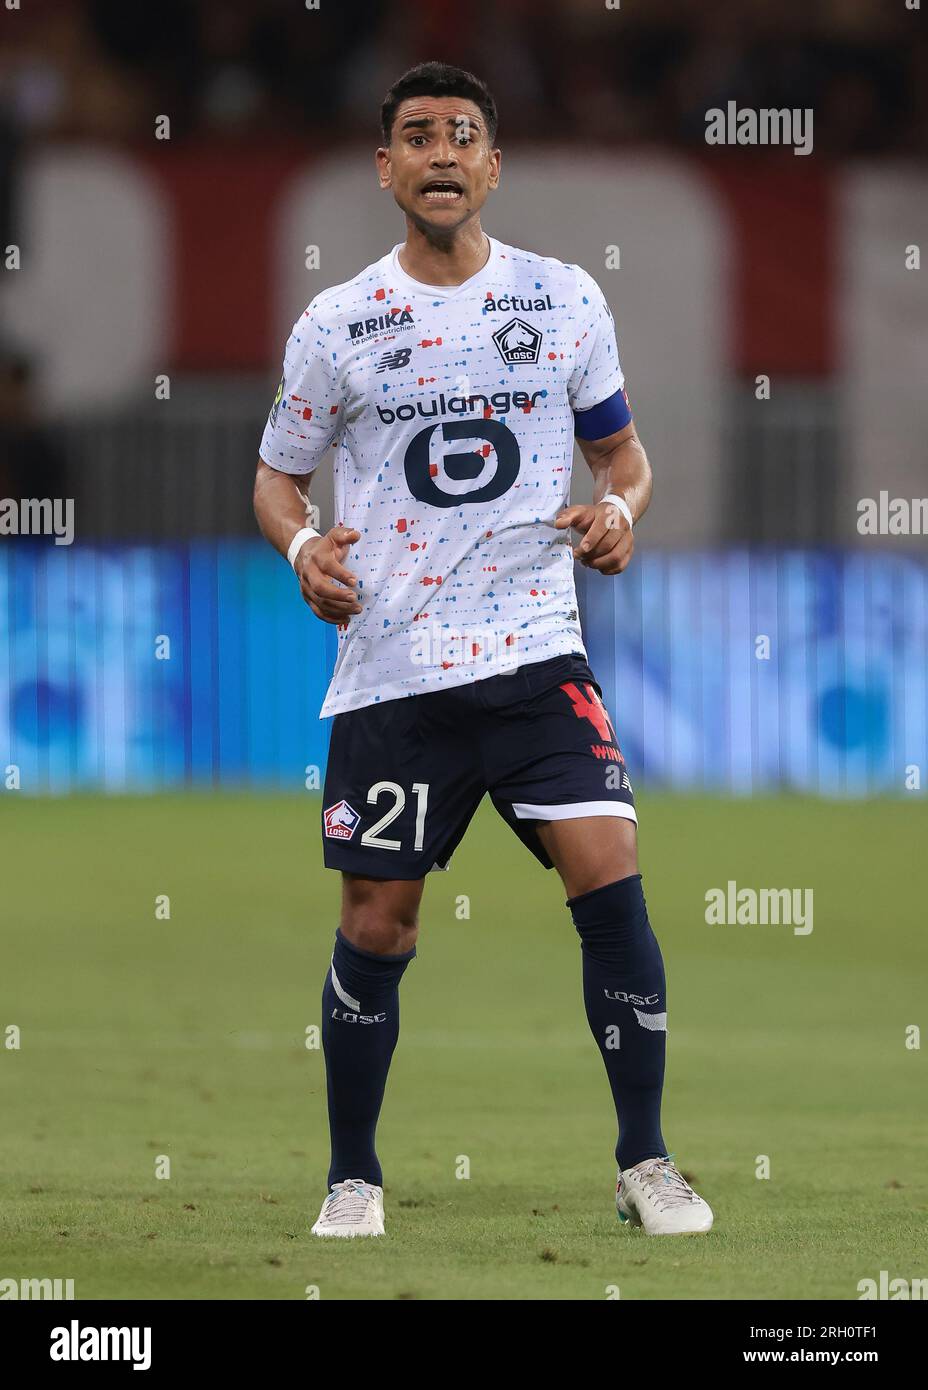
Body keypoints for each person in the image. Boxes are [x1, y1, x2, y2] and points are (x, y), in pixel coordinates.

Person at [254, 61, 712, 1240]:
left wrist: (624, 513)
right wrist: (304, 545)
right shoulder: (337, 321)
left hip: (534, 654)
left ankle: (645, 1161)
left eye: (463, 135)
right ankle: (351, 1174)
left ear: (493, 165)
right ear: (386, 167)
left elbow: (624, 459)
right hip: (397, 669)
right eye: (418, 136)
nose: (442, 153)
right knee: (377, 924)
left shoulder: (562, 301)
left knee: (607, 866)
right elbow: (273, 474)